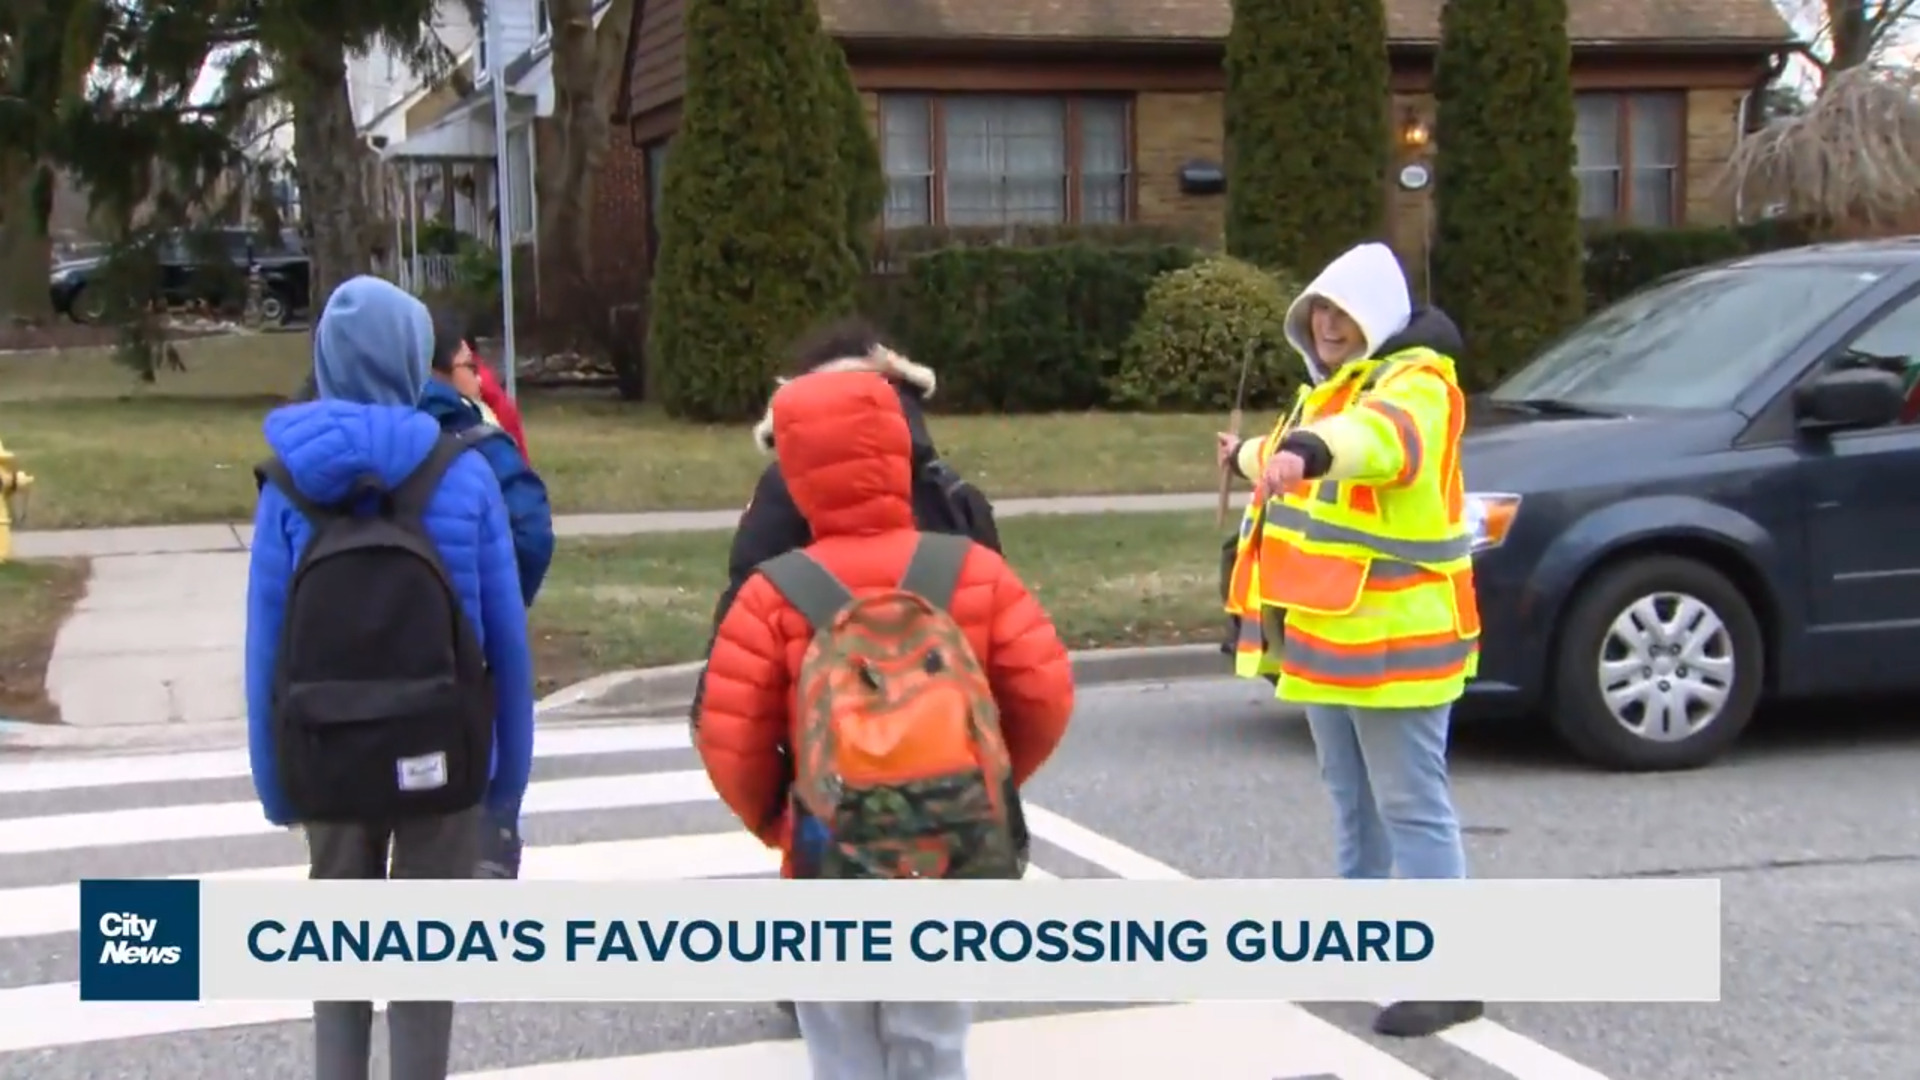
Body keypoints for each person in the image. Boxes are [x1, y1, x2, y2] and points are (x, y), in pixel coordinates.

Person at [693, 369, 1075, 1079]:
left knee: (840, 1046)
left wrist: (784, 819)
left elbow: (730, 738)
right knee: (933, 1043)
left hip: (827, 859)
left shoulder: (771, 596)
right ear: (900, 451)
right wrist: (980, 781)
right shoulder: (975, 571)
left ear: (794, 474)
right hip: (946, 856)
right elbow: (1044, 695)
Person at [244, 275, 536, 1080]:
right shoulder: (463, 473)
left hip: (326, 746)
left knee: (338, 958)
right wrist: (504, 787)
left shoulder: (287, 484)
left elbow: (265, 653)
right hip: (442, 752)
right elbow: (507, 646)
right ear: (413, 360)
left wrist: (278, 786)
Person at [1217, 241, 1483, 1039]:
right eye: (1318, 312)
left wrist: (1305, 452)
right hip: (1328, 636)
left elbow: (1376, 441)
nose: (1328, 326)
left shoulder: (1418, 386)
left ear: (1378, 316)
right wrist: (1249, 456)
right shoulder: (1331, 390)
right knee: (1355, 803)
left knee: (1410, 805)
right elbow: (1296, 450)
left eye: (1343, 313)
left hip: (1400, 641)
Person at [421, 310, 555, 607]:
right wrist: (503, 607)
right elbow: (531, 531)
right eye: (470, 366)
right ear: (435, 370)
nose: (480, 379)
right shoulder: (479, 437)